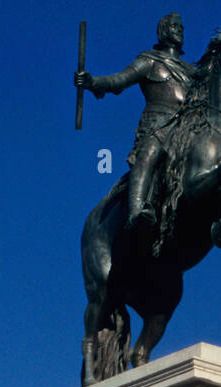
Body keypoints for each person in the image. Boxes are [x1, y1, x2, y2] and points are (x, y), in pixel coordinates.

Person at [78, 13, 194, 232]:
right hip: (157, 124)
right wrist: (93, 82)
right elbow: (119, 80)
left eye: (181, 27)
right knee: (149, 154)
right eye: (174, 26)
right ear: (163, 31)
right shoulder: (150, 60)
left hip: (186, 129)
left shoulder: (192, 72)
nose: (179, 30)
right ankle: (136, 212)